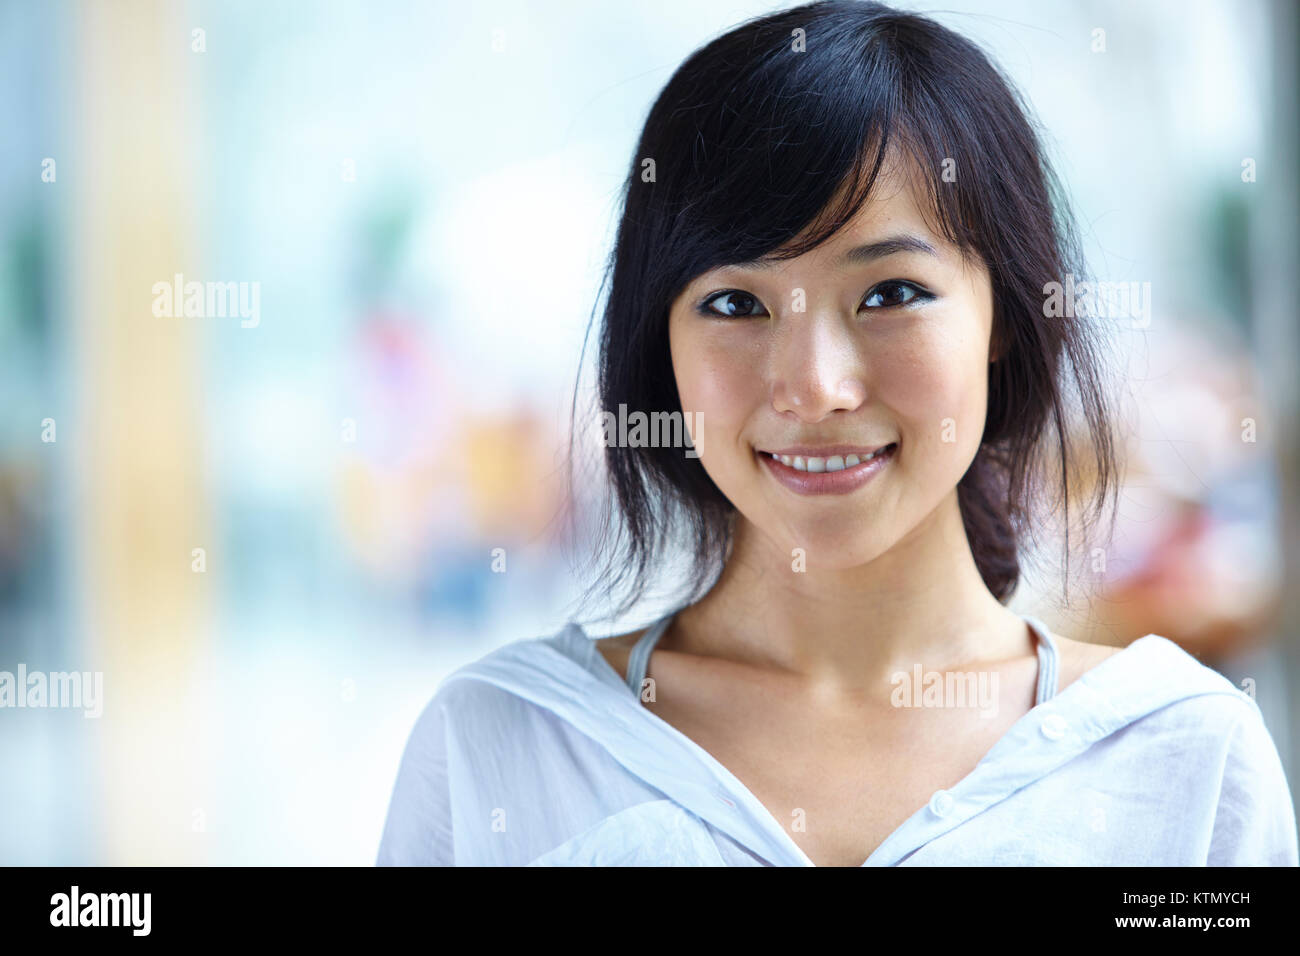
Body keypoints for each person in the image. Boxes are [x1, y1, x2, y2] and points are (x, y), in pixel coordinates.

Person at [377, 0, 1298, 866]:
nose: (815, 387)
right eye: (736, 303)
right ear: (659, 344)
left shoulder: (1185, 764)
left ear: (1004, 316)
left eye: (891, 292)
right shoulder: (501, 752)